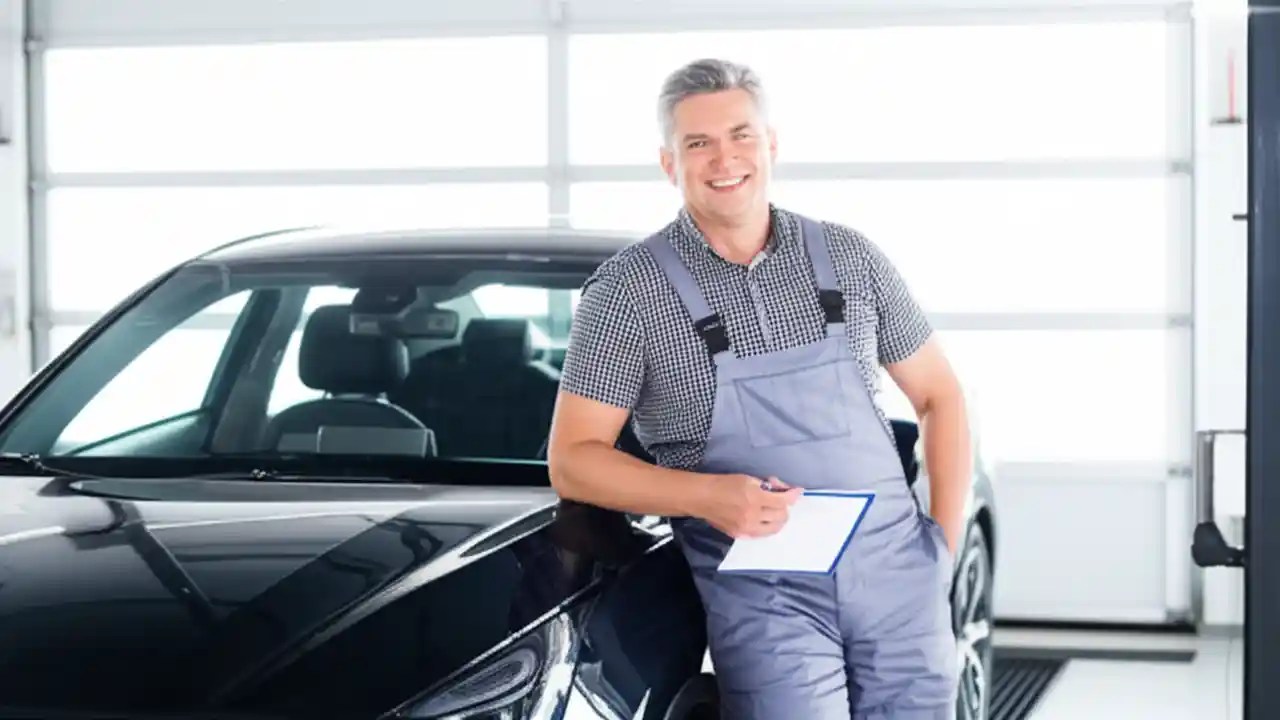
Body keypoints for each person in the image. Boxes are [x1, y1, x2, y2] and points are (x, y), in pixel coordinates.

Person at [547, 57, 972, 720]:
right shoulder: (628, 292)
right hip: (769, 603)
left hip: (898, 584)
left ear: (771, 144)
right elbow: (573, 459)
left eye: (741, 134)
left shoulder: (851, 257)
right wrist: (706, 496)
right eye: (698, 143)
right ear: (669, 163)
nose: (725, 159)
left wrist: (939, 547)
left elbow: (940, 396)